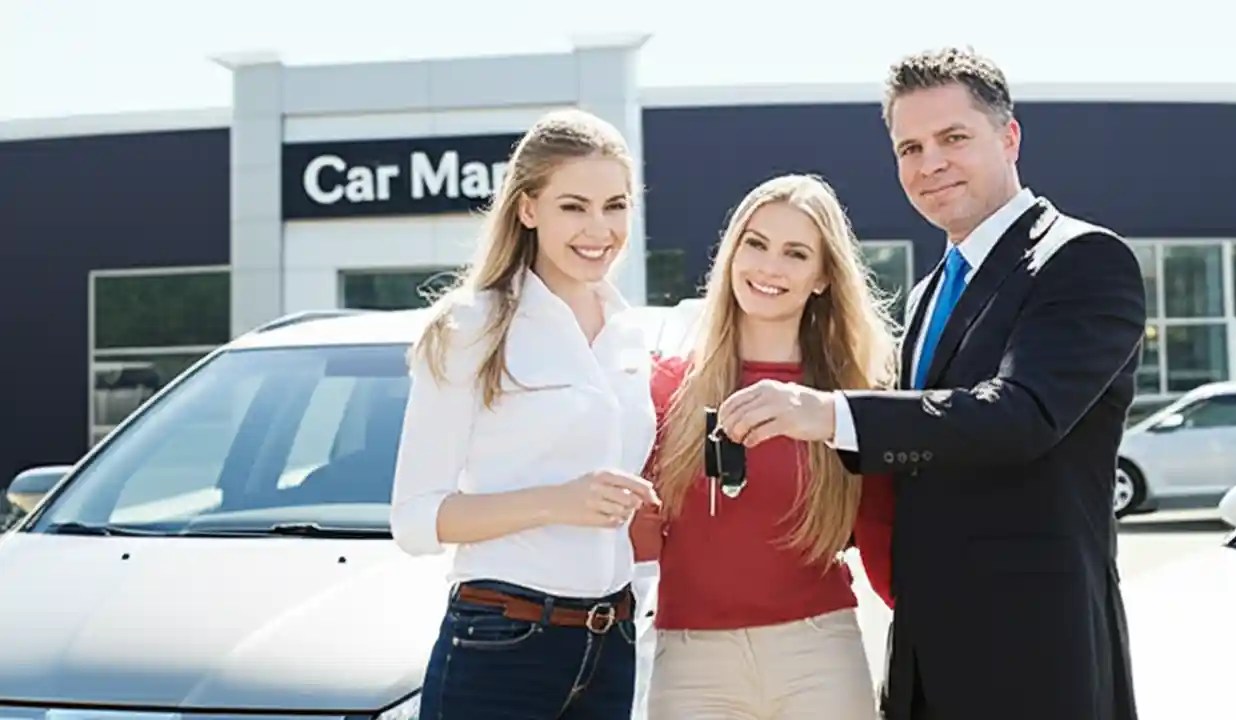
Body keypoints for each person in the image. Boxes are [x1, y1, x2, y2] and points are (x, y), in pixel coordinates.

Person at [714, 48, 1146, 720]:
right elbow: (910, 461)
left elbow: (1020, 416)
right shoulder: (924, 297)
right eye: (909, 147)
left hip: (1035, 658)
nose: (929, 164)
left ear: (1009, 137)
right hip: (924, 656)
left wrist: (827, 413)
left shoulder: (1082, 261)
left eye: (953, 138)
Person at [389, 108, 662, 719]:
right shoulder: (471, 327)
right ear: (528, 208)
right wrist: (556, 502)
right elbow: (413, 520)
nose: (600, 228)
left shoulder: (630, 332)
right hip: (501, 642)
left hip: (612, 642)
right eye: (574, 206)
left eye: (615, 205)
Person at [630, 174, 899, 719]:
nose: (769, 267)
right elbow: (634, 545)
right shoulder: (664, 387)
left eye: (796, 253)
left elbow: (888, 542)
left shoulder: (851, 401)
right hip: (690, 662)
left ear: (823, 277)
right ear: (731, 253)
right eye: (755, 244)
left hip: (819, 653)